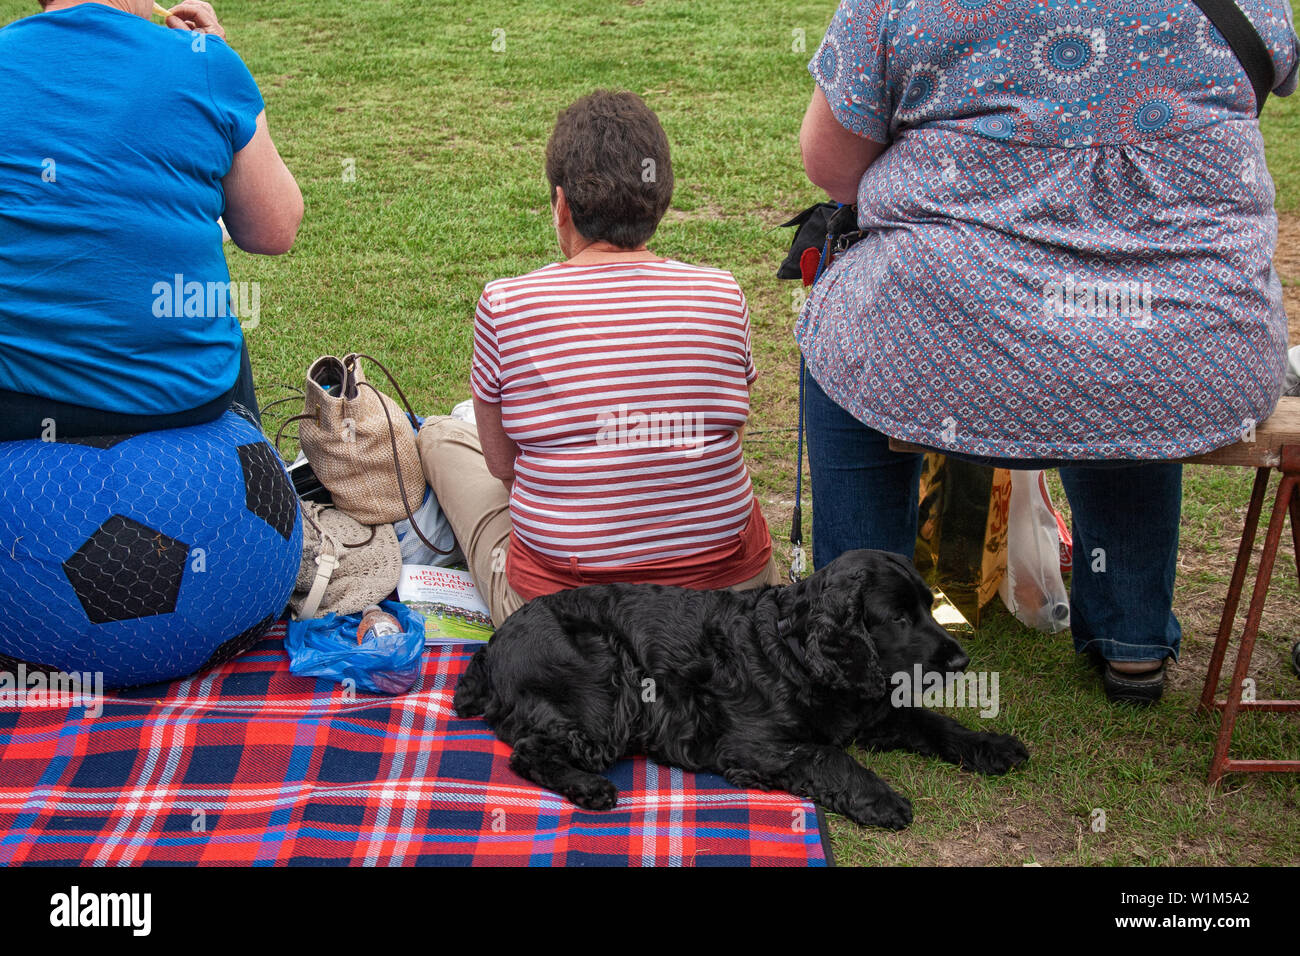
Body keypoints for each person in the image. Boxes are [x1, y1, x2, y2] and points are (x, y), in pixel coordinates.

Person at [796, 0, 1299, 703]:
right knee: (1119, 363)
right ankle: (1133, 642)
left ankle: (860, 644)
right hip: (1197, 345)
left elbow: (832, 166)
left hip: (956, 334)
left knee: (845, 345)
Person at [420, 90, 780, 626]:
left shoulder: (505, 303)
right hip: (728, 606)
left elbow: (503, 469)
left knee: (441, 436)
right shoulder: (722, 293)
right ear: (661, 200)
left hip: (569, 620)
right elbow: (731, 427)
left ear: (561, 204)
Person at [0, 0, 302, 441]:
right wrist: (212, 63)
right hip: (183, 401)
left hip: (14, 398)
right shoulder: (204, 62)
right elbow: (273, 228)